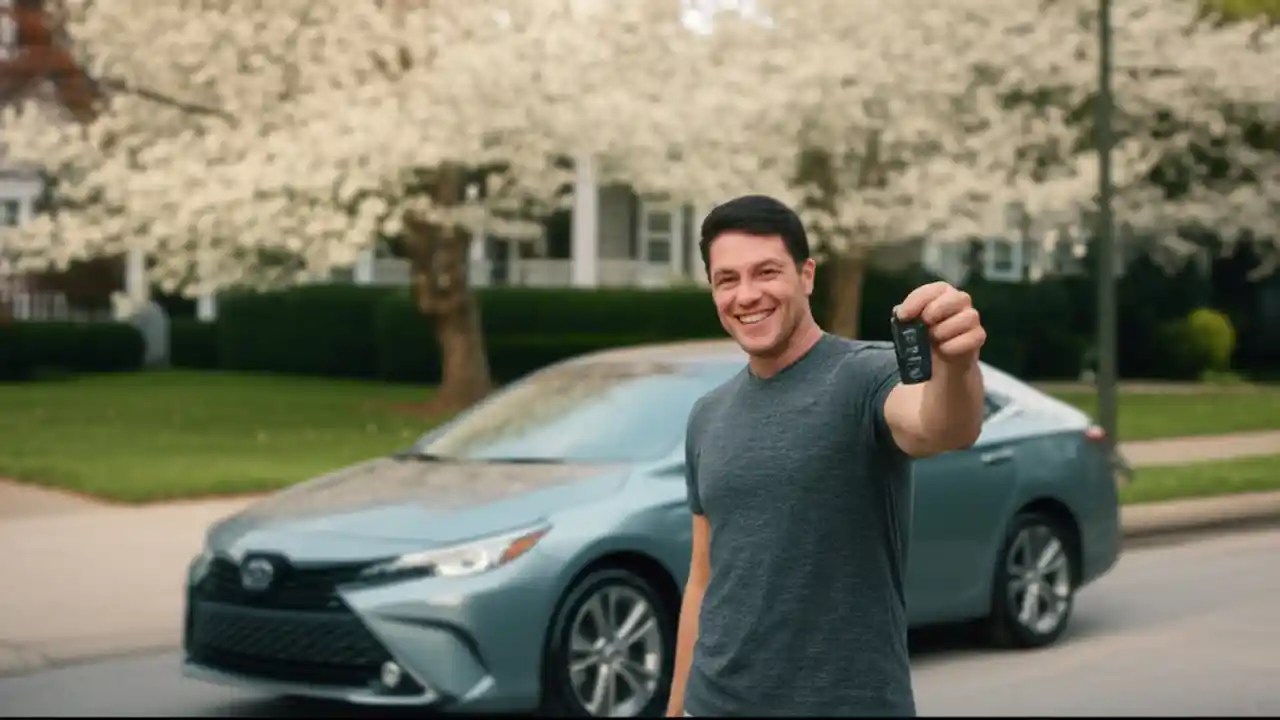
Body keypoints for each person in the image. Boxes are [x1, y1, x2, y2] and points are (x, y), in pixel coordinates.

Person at [666, 194, 987, 717]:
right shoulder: (707, 414)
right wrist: (676, 708)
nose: (746, 295)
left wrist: (957, 364)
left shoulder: (864, 376)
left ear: (806, 275)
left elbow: (942, 428)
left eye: (766, 272)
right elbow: (703, 579)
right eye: (727, 279)